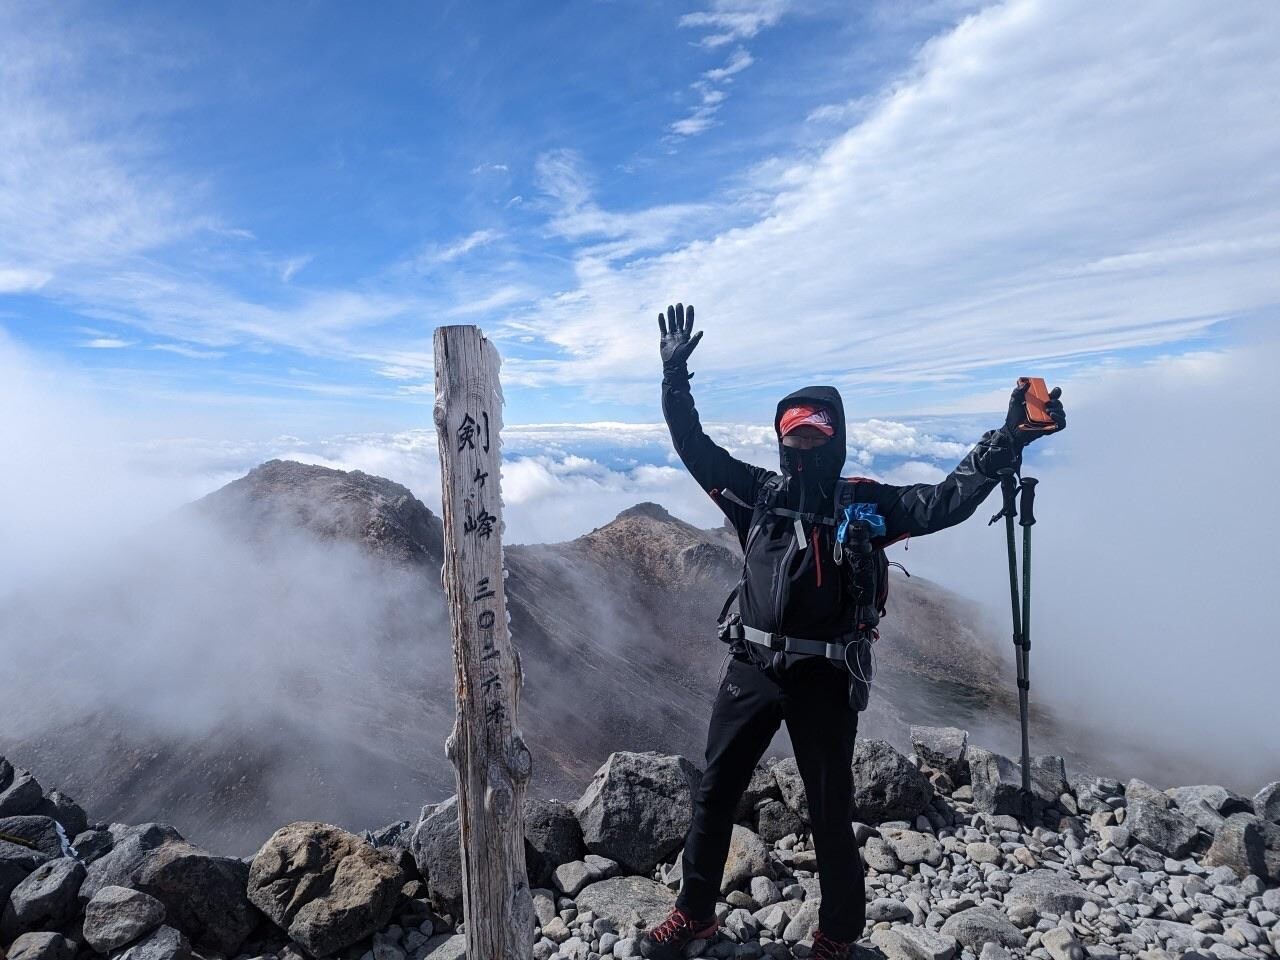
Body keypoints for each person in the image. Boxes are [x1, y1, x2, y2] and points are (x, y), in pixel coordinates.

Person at [639, 303, 1065, 960]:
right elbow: (692, 444)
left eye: (814, 434)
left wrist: (1005, 440)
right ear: (780, 439)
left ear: (834, 438)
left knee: (830, 811)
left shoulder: (865, 502)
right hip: (751, 667)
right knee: (715, 793)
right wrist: (675, 376)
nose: (802, 444)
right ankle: (695, 913)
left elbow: (947, 500)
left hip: (826, 677)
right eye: (793, 434)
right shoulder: (754, 492)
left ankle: (837, 934)